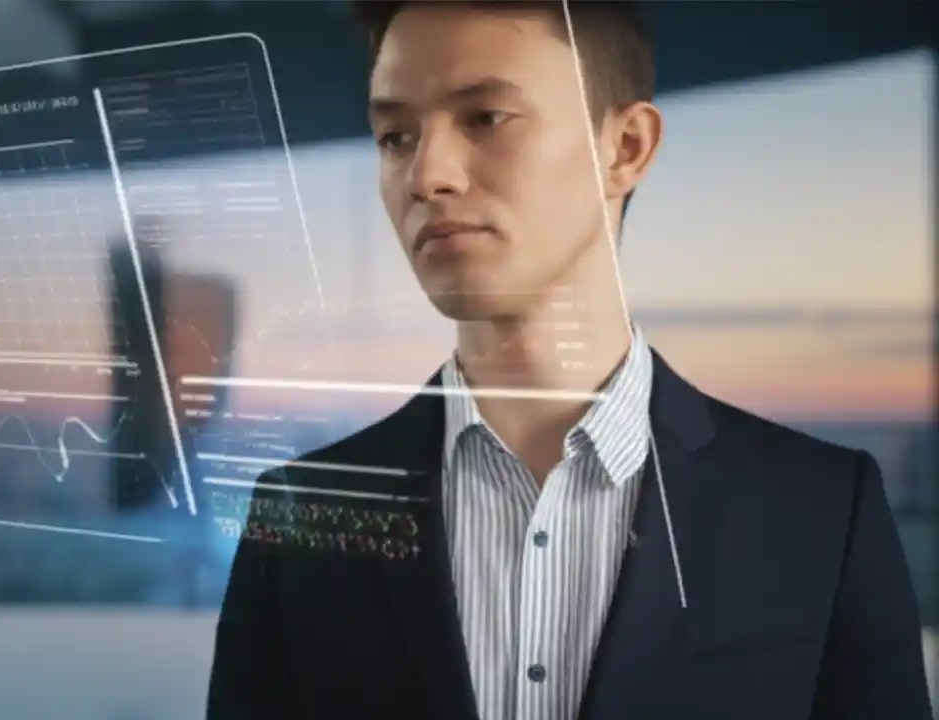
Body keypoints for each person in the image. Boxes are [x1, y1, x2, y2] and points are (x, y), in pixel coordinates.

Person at [206, 1, 932, 718]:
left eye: (485, 117)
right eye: (395, 136)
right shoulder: (301, 516)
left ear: (625, 148)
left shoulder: (821, 513)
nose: (427, 174)